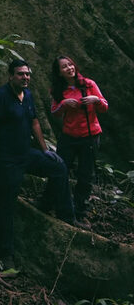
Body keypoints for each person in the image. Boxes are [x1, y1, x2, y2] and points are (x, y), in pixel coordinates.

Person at [0, 59, 80, 273]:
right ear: (11, 76)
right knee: (6, 203)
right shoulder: (1, 96)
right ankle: (5, 251)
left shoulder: (27, 96)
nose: (25, 77)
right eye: (20, 74)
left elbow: (35, 122)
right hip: (4, 159)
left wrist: (45, 149)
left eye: (27, 74)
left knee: (59, 168)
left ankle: (64, 214)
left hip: (25, 154)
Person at [50, 55, 108, 220]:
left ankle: (79, 212)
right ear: (59, 72)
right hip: (68, 137)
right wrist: (63, 104)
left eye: (70, 65)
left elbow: (104, 106)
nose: (69, 68)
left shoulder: (88, 84)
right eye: (64, 67)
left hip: (90, 136)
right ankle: (50, 204)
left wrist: (95, 100)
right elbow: (54, 113)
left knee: (85, 175)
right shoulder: (58, 90)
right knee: (59, 169)